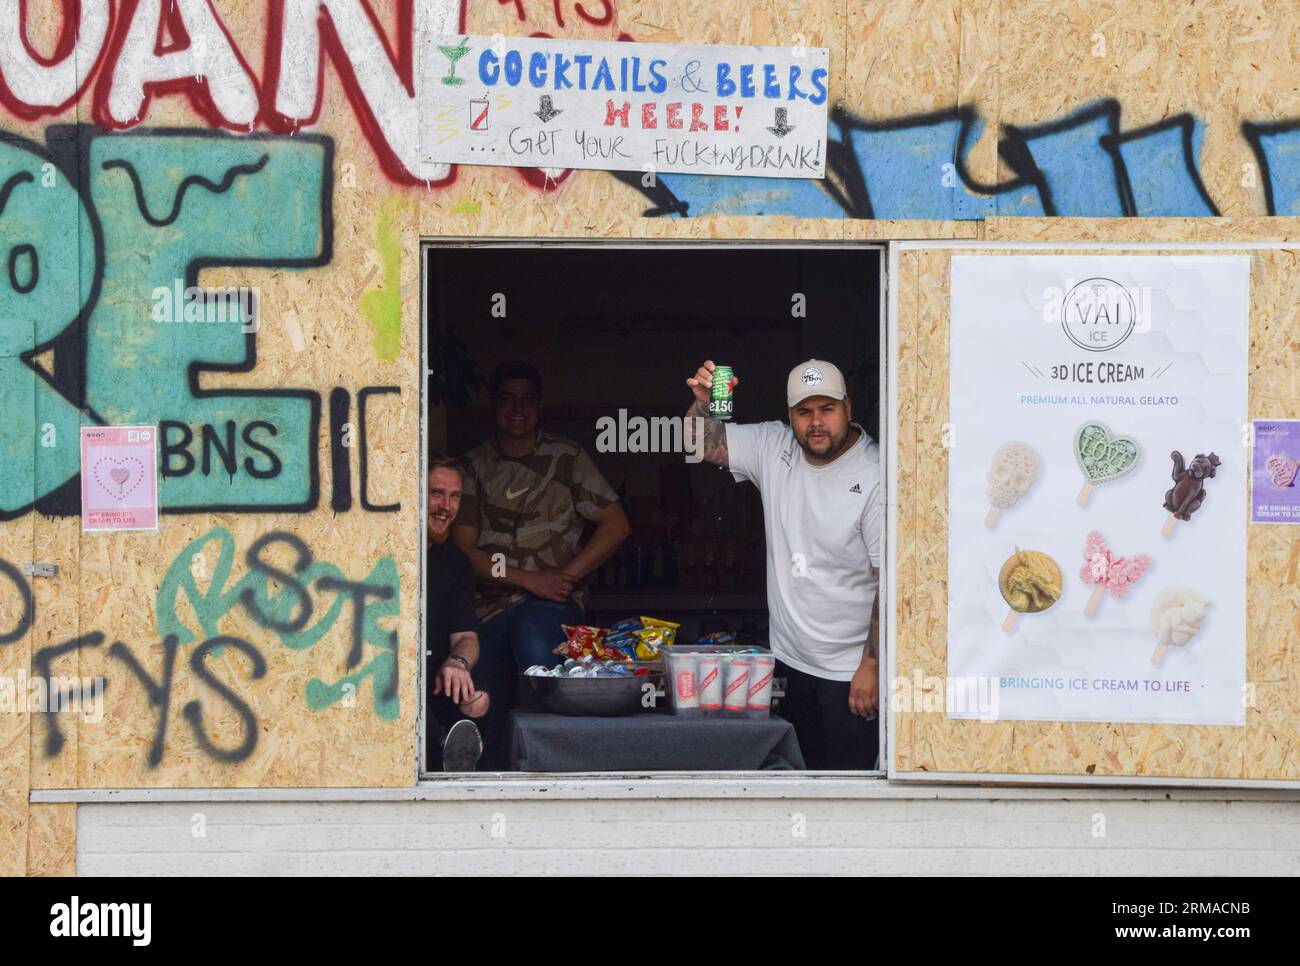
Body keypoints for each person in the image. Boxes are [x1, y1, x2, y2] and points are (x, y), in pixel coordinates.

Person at [684, 358, 882, 770]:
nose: (816, 423)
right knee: (799, 783)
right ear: (789, 415)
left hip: (851, 671)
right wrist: (703, 407)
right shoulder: (775, 447)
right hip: (792, 661)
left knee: (850, 789)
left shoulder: (877, 475)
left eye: (827, 409)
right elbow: (700, 445)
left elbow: (891, 580)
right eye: (804, 412)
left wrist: (873, 665)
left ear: (848, 407)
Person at [453, 361, 630, 769]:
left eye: (527, 399)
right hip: (489, 605)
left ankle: (552, 769)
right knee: (482, 701)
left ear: (541, 405)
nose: (518, 408)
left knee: (538, 656)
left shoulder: (566, 457)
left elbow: (616, 524)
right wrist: (531, 580)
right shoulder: (473, 466)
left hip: (552, 605)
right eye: (507, 399)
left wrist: (565, 579)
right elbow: (464, 552)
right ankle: (486, 784)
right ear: (492, 405)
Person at [426, 456, 492, 772]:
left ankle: (456, 758)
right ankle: (442, 749)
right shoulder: (383, 549)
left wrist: (457, 662)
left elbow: (466, 636)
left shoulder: (454, 562)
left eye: (454, 497)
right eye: (436, 493)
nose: (446, 506)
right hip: (390, 675)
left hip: (436, 674)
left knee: (477, 700)